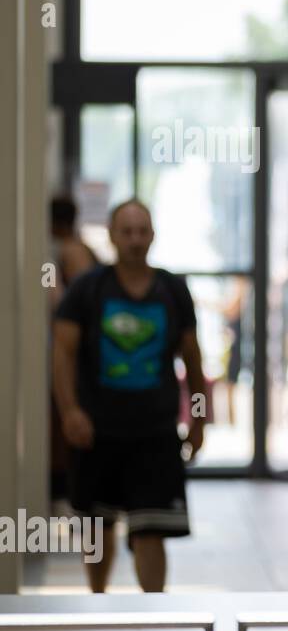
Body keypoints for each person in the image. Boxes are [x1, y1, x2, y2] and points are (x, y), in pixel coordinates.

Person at [51, 198, 205, 593]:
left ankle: (156, 615)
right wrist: (69, 412)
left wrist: (200, 418)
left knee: (151, 529)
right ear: (112, 236)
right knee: (97, 527)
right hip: (97, 431)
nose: (135, 240)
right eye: (127, 232)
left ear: (152, 235)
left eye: (142, 232)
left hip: (155, 433)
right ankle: (97, 604)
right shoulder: (88, 289)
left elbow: (192, 357)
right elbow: (62, 353)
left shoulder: (173, 289)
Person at [48, 195, 100, 507]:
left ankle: (75, 498)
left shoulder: (71, 251)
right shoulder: (79, 247)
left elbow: (71, 304)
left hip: (81, 350)